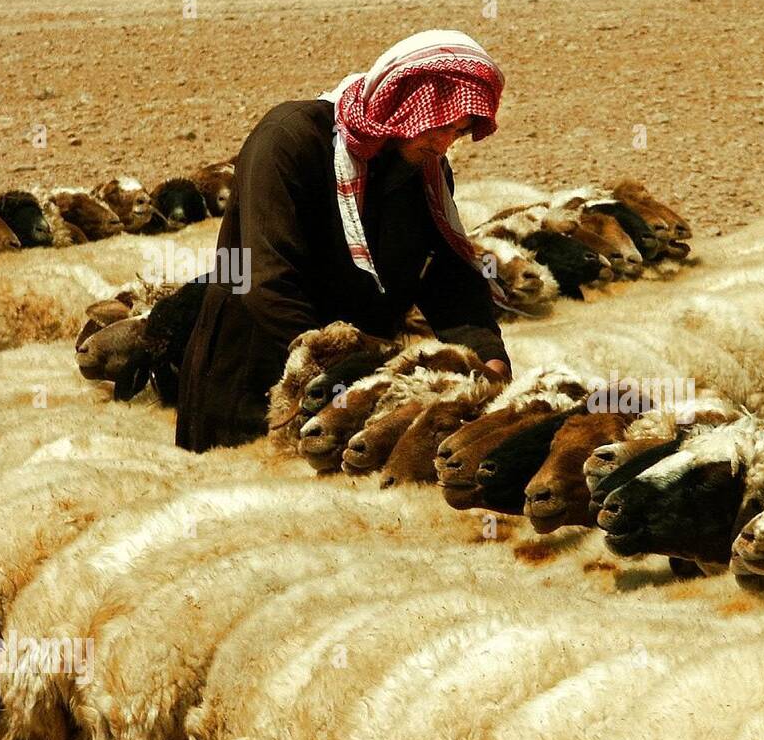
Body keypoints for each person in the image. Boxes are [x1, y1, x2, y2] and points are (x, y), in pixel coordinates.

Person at [175, 30, 512, 452]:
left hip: (353, 390)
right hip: (255, 378)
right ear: (403, 102)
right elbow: (264, 280)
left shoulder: (426, 172)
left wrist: (486, 359)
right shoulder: (290, 139)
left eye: (458, 133)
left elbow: (447, 281)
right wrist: (351, 368)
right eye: (440, 126)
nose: (444, 144)